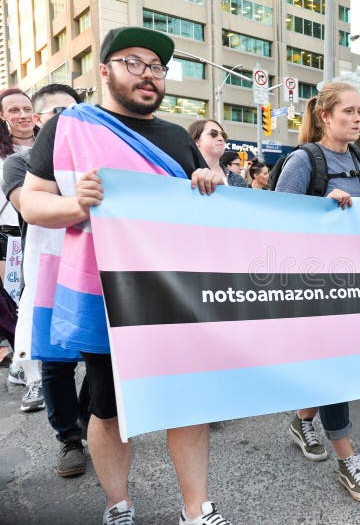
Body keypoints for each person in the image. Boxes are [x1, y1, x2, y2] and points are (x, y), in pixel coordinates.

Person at [20, 27, 229, 525]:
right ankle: (119, 506)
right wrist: (77, 204)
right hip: (102, 291)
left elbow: (209, 211)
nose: (148, 75)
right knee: (109, 406)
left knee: (186, 401)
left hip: (174, 291)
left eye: (156, 67)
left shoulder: (178, 138)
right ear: (105, 69)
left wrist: (209, 182)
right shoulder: (68, 127)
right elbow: (31, 201)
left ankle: (196, 510)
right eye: (134, 63)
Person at [275, 81, 360, 504]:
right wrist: (320, 205)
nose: (357, 118)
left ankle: (303, 420)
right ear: (325, 115)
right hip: (315, 286)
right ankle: (348, 459)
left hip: (357, 282)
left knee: (337, 362)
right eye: (349, 111)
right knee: (336, 366)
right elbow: (275, 220)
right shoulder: (303, 160)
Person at [2, 83, 91, 476]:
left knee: (102, 358)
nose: (66, 120)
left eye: (73, 112)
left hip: (93, 270)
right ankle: (69, 439)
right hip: (48, 272)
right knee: (57, 363)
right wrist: (82, 200)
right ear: (40, 119)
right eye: (57, 113)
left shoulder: (94, 159)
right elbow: (30, 207)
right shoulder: (19, 164)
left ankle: (90, 420)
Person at [1, 88, 40, 398]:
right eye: (14, 110)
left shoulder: (51, 143)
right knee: (19, 302)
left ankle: (23, 364)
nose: (22, 115)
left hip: (45, 229)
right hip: (8, 234)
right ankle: (28, 371)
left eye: (26, 108)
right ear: (3, 116)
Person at [187, 121, 247, 188]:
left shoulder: (238, 179)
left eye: (223, 135)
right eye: (213, 133)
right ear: (196, 141)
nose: (221, 138)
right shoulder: (184, 173)